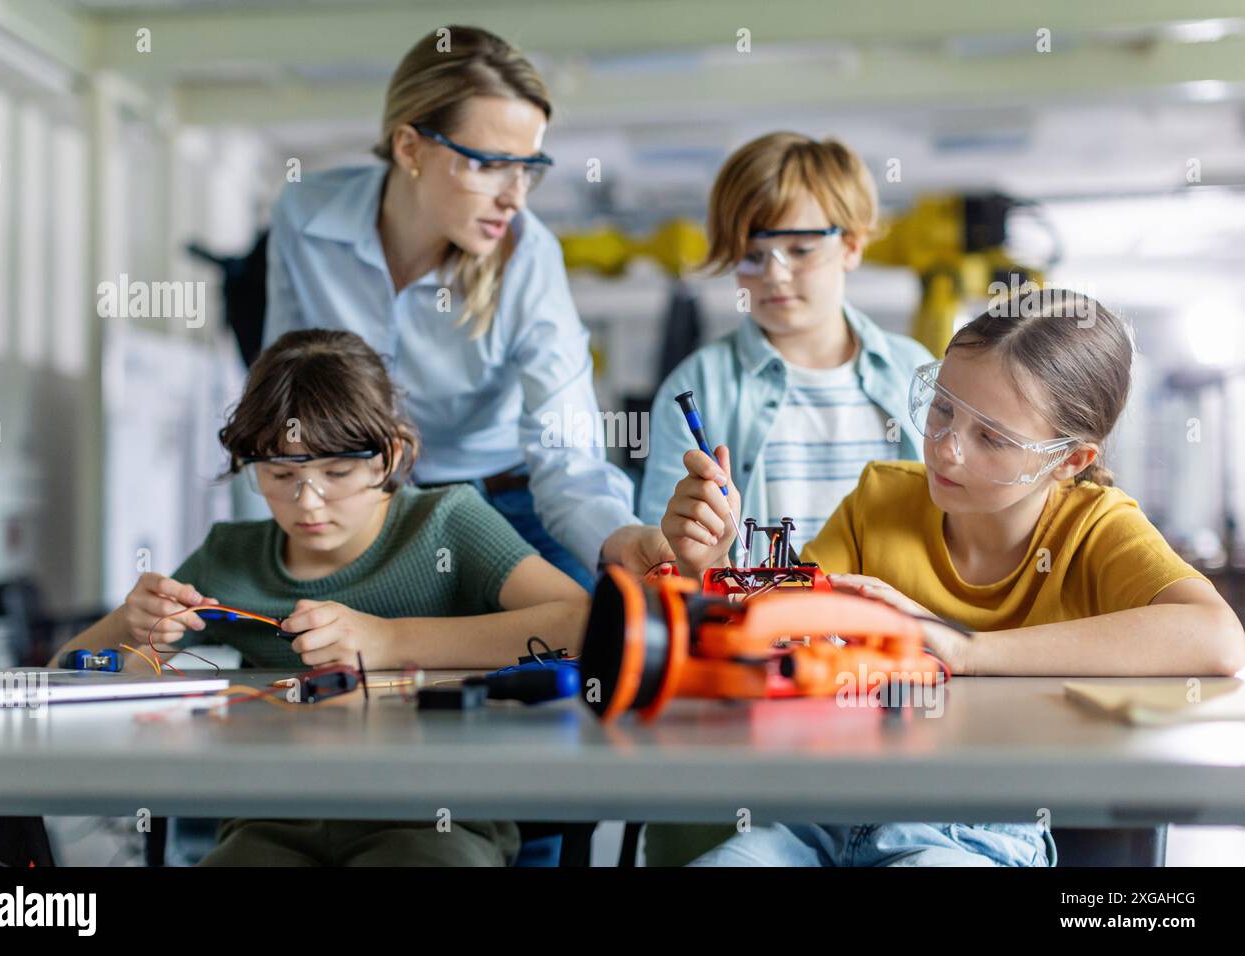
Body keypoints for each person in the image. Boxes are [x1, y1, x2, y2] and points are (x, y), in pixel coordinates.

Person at [662, 290, 1244, 866]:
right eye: (942, 409)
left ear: (1069, 460)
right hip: (822, 812)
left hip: (978, 831)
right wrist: (709, 567)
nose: (945, 450)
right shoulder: (879, 499)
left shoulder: (1095, 531)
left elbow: (1217, 639)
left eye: (991, 437)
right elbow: (778, 634)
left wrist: (963, 650)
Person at [52, 329, 590, 865]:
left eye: (335, 472)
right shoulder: (229, 557)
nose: (307, 502)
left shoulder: (448, 522)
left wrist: (389, 640)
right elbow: (65, 680)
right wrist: (130, 622)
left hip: (435, 817)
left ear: (388, 458)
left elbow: (580, 621)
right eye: (281, 474)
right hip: (270, 821)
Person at [263, 25, 672, 589]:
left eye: (528, 168)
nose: (516, 197)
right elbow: (284, 395)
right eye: (489, 164)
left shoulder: (528, 259)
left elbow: (566, 448)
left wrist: (620, 538)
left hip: (514, 508)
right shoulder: (304, 217)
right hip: (373, 511)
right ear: (410, 148)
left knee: (579, 650)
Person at [638, 132, 933, 558]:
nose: (775, 275)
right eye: (753, 255)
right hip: (755, 620)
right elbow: (662, 553)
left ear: (851, 245)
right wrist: (694, 552)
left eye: (800, 249)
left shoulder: (915, 372)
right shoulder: (697, 384)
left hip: (889, 622)